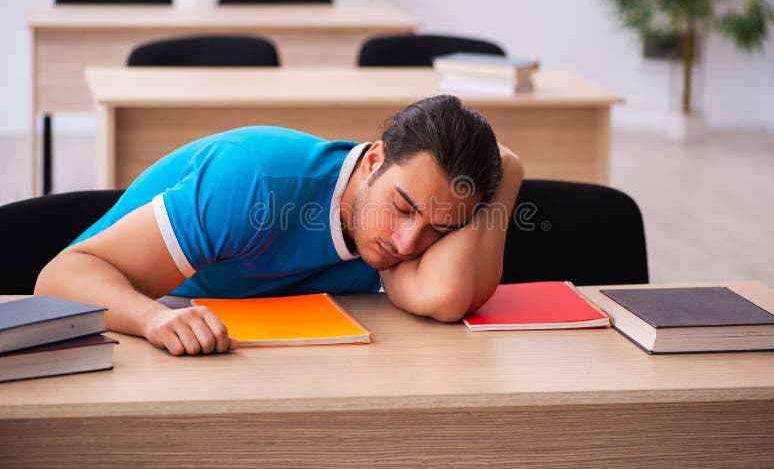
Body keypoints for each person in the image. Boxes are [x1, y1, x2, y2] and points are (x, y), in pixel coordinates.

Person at [35, 95, 524, 356]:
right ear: (375, 158)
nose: (407, 243)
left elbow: (443, 296)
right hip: (131, 338)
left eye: (441, 229)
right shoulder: (254, 181)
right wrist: (153, 318)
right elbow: (57, 280)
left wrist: (510, 173)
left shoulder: (406, 221)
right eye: (402, 208)